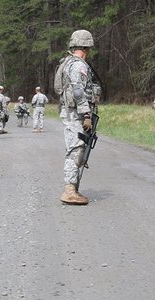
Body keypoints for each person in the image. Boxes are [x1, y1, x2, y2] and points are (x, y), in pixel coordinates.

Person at [55, 29, 101, 205]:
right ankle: (69, 191)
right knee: (76, 149)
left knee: (78, 147)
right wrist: (86, 114)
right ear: (87, 46)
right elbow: (78, 91)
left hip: (71, 112)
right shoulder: (79, 65)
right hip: (76, 113)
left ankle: (72, 188)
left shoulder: (67, 62)